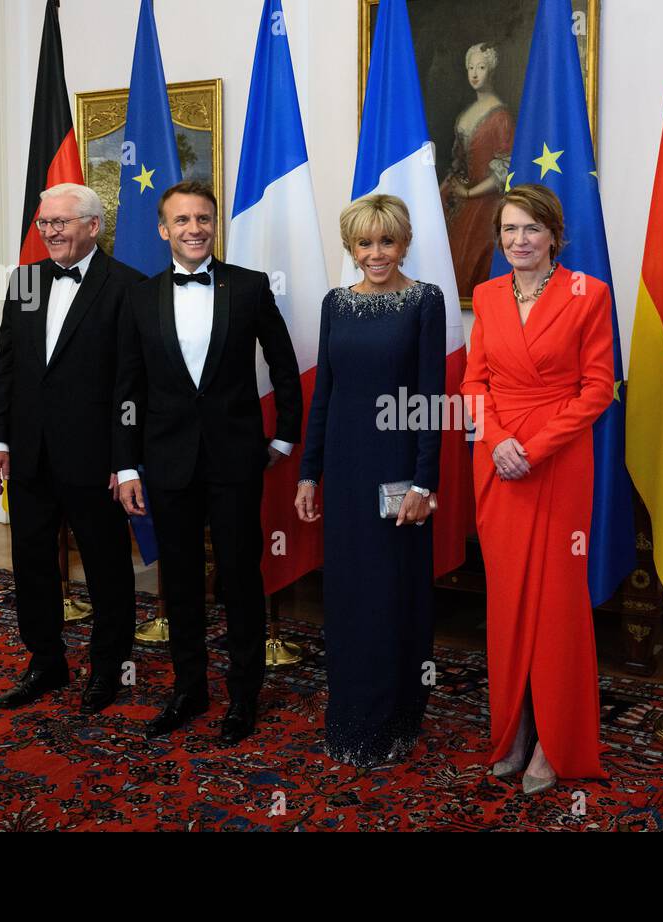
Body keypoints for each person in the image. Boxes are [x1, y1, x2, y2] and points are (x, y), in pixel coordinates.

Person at [114, 180, 303, 742]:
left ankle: (244, 696)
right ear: (163, 229)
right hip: (166, 462)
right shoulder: (140, 297)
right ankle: (188, 690)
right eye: (182, 220)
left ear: (215, 225)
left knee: (241, 576)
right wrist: (127, 465)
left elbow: (285, 365)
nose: (194, 228)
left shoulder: (249, 286)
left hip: (236, 460)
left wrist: (284, 438)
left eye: (203, 218)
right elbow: (126, 388)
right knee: (180, 580)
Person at [461, 184, 612, 794]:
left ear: (554, 234)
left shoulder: (588, 293)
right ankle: (514, 730)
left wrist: (536, 447)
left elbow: (598, 389)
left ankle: (555, 739)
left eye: (530, 229)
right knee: (507, 602)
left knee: (556, 604)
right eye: (509, 229)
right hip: (497, 463)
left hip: (558, 460)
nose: (518, 240)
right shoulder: (488, 295)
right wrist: (498, 441)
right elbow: (473, 383)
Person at [294, 194, 443, 767]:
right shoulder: (335, 303)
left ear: (404, 243)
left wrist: (423, 484)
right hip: (346, 471)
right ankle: (351, 718)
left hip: (399, 470)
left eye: (387, 241)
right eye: (364, 243)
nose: (376, 253)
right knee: (350, 594)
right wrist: (309, 474)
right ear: (350, 247)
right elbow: (324, 394)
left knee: (392, 595)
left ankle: (394, 720)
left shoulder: (425, 301)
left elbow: (431, 398)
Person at [0, 182, 142, 713]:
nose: (50, 232)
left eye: (61, 222)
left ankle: (107, 668)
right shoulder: (25, 281)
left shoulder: (127, 286)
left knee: (106, 566)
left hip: (94, 459)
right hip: (29, 453)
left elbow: (130, 386)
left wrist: (124, 461)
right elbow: (6, 365)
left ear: (93, 226)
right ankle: (45, 662)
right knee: (31, 561)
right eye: (44, 223)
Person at [440, 42, 514, 296]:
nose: (474, 73)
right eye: (471, 67)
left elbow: (504, 169)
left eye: (481, 67)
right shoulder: (467, 113)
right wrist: (446, 189)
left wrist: (470, 193)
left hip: (486, 205)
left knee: (471, 261)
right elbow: (458, 162)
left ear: (490, 70)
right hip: (460, 198)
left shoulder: (500, 116)